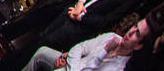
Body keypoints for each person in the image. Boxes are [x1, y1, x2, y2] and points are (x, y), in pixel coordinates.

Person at [22, 18, 153, 71]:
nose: (130, 32)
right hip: (72, 65)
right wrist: (67, 61)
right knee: (42, 52)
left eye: (137, 34)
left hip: (71, 67)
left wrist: (105, 50)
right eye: (135, 26)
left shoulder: (119, 68)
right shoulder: (112, 37)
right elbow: (80, 47)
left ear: (138, 46)